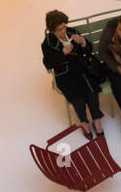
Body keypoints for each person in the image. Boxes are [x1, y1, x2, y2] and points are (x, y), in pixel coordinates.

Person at [42, 10, 105, 139]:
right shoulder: (47, 43)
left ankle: (97, 119)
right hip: (65, 74)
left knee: (91, 90)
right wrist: (62, 53)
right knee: (77, 96)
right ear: (52, 30)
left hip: (82, 68)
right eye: (59, 29)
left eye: (64, 27)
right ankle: (84, 122)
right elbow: (48, 63)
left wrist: (82, 41)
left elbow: (88, 49)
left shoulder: (73, 32)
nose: (63, 31)